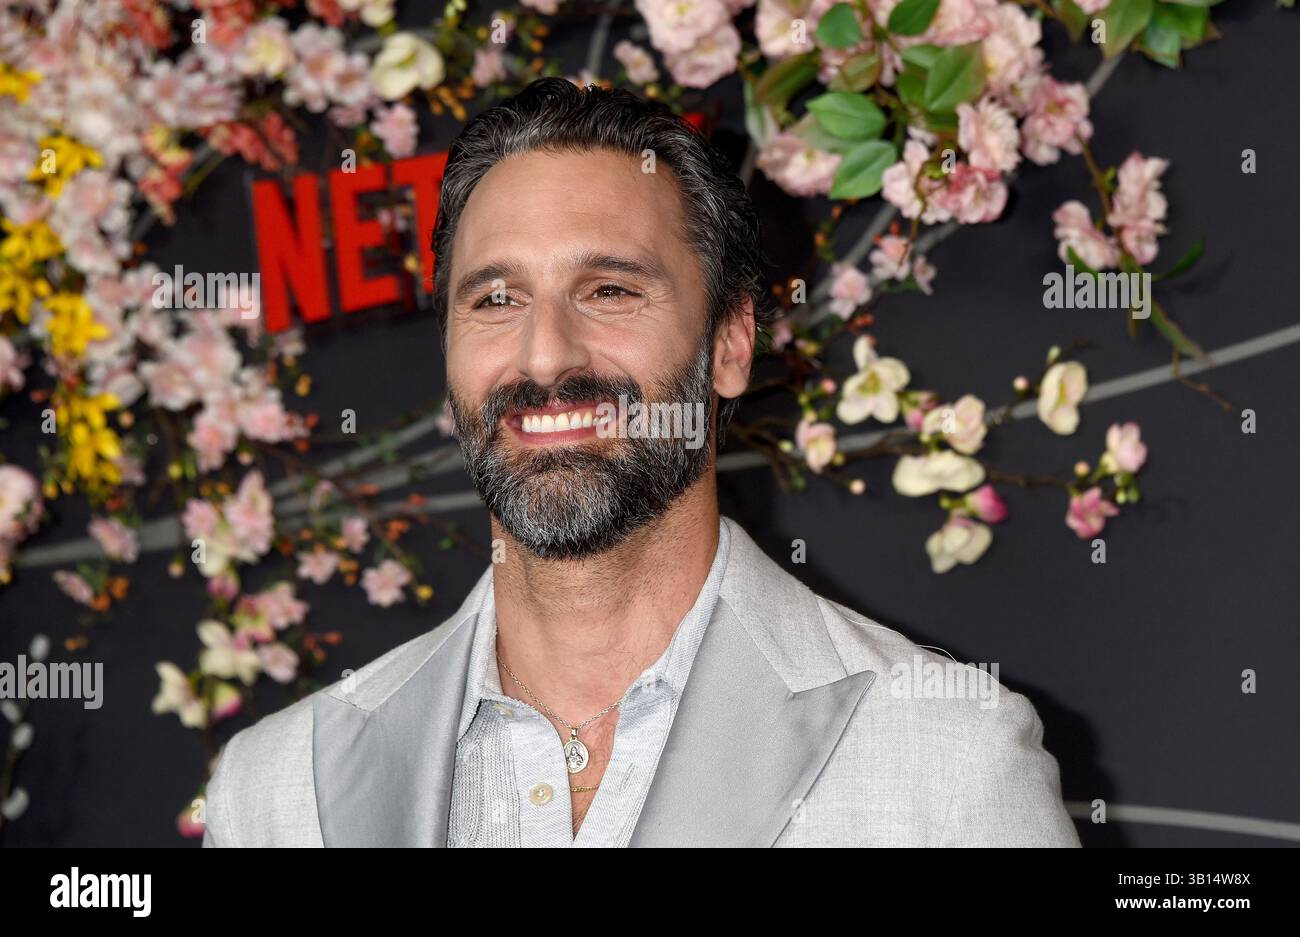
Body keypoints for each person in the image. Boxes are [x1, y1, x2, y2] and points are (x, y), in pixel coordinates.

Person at [202, 78, 1080, 848]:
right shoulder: (278, 791)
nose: (545, 358)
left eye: (610, 290)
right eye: (496, 298)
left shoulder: (943, 761)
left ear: (731, 341)